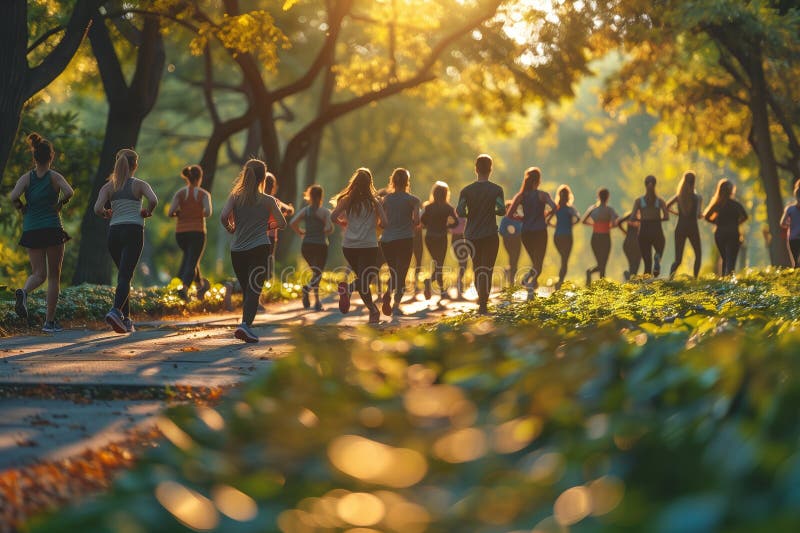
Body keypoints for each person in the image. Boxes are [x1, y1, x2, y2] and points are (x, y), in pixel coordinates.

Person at [9, 133, 74, 332]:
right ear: (51, 157)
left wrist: (22, 208)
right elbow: (69, 191)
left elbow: (13, 196)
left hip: (32, 229)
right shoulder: (55, 177)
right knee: (54, 277)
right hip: (52, 228)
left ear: (34, 157)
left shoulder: (26, 178)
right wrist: (61, 203)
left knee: (38, 274)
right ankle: (49, 322)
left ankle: (24, 291)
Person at [219, 159, 286, 343]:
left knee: (248, 289)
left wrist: (231, 228)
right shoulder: (268, 200)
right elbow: (282, 223)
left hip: (237, 250)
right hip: (259, 247)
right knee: (254, 290)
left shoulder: (235, 197)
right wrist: (266, 224)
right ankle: (245, 326)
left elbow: (224, 216)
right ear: (263, 178)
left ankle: (245, 325)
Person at [94, 148, 158, 334]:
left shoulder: (108, 187)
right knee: (125, 275)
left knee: (124, 275)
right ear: (135, 165)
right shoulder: (139, 185)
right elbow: (153, 200)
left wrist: (106, 212)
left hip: (114, 233)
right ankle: (115, 311)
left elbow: (97, 208)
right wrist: (147, 211)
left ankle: (127, 320)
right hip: (133, 231)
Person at [330, 168, 389, 324]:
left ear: (354, 182)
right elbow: (385, 223)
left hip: (349, 246)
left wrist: (344, 223)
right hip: (368, 246)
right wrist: (377, 222)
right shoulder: (375, 202)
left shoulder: (347, 200)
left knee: (363, 280)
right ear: (370, 184)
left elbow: (333, 216)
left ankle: (373, 311)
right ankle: (350, 290)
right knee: (364, 281)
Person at [456, 154, 505, 314]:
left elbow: (460, 211)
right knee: (487, 269)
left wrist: (471, 212)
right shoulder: (497, 190)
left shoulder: (466, 191)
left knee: (477, 268)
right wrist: (491, 208)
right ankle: (484, 303)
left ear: (476, 169)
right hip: (490, 234)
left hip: (471, 235)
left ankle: (481, 301)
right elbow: (501, 210)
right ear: (490, 169)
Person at [506, 167, 557, 298]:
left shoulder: (521, 196)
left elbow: (509, 214)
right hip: (540, 231)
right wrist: (547, 216)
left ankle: (531, 285)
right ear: (538, 180)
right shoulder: (542, 195)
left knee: (535, 262)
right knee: (538, 263)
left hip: (526, 232)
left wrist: (522, 218)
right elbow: (555, 207)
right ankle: (528, 281)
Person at [378, 168, 421, 316]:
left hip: (386, 241)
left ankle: (388, 293)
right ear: (407, 182)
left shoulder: (386, 199)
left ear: (393, 181)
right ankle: (395, 304)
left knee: (394, 272)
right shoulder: (413, 200)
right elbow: (416, 221)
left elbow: (381, 223)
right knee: (400, 274)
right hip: (404, 240)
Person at [168, 165, 212, 301]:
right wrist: (197, 212)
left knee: (191, 259)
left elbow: (171, 212)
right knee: (192, 261)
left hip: (181, 234)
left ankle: (201, 287)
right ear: (199, 178)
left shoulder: (180, 193)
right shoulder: (203, 194)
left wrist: (182, 213)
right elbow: (208, 212)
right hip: (197, 232)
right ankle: (184, 288)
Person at [290, 184, 333, 311]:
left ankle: (317, 301)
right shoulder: (324, 211)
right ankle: (308, 290)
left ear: (309, 196)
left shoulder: (306, 211)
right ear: (321, 196)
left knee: (316, 273)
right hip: (320, 246)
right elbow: (330, 228)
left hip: (307, 245)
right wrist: (323, 230)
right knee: (318, 273)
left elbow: (293, 223)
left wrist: (301, 232)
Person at [421, 181, 459, 299]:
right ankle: (431, 284)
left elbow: (423, 221)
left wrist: (430, 226)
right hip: (441, 237)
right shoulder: (448, 208)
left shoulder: (428, 207)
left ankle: (442, 292)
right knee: (439, 265)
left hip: (429, 238)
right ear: (446, 194)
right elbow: (456, 222)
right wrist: (448, 227)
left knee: (438, 264)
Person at [703, 178, 748, 276]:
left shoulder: (717, 204)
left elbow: (706, 216)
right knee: (732, 258)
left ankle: (723, 278)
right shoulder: (736, 204)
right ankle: (731, 278)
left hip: (720, 234)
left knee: (724, 258)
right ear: (731, 190)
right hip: (733, 233)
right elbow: (745, 216)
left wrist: (716, 222)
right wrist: (737, 223)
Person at [629, 175, 669, 276]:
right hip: (657, 229)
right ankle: (658, 257)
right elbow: (666, 216)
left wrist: (642, 219)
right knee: (660, 247)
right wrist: (656, 219)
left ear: (644, 185)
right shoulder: (660, 201)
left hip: (644, 231)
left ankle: (647, 287)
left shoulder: (639, 201)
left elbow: (632, 217)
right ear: (655, 185)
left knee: (647, 262)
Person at [666, 171, 703, 278]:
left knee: (678, 259)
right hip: (693, 228)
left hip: (680, 228)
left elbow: (667, 206)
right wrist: (701, 215)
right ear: (694, 182)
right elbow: (698, 215)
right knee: (698, 255)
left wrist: (677, 213)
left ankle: (670, 279)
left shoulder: (679, 197)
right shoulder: (697, 198)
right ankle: (695, 279)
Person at [582, 188, 618, 284]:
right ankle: (600, 283)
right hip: (605, 237)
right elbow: (615, 223)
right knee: (603, 264)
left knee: (601, 263)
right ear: (607, 197)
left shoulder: (593, 209)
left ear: (598, 196)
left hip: (595, 238)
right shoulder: (610, 210)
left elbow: (583, 221)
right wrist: (608, 225)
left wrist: (594, 225)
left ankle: (591, 274)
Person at [546, 184, 579, 290]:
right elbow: (578, 218)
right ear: (569, 196)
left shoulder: (556, 208)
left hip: (557, 236)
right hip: (567, 236)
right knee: (565, 260)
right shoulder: (570, 209)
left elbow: (547, 220)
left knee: (563, 259)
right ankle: (560, 282)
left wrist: (555, 226)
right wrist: (571, 224)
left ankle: (560, 282)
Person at [263, 173, 294, 281]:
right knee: (269, 257)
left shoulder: (257, 199)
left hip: (257, 234)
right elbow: (290, 210)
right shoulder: (275, 201)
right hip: (270, 236)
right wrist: (287, 210)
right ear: (273, 187)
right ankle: (267, 276)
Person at [498, 200, 523, 287]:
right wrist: (508, 233)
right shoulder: (505, 219)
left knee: (515, 260)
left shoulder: (518, 219)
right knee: (513, 259)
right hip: (508, 241)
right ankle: (511, 282)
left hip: (517, 240)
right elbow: (501, 231)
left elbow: (522, 229)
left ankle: (509, 272)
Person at [780, 180, 800, 267]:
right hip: (794, 238)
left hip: (793, 238)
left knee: (795, 261)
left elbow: (782, 223)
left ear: (796, 196)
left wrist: (789, 224)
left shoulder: (790, 209)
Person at [616, 212, 641, 280]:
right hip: (635, 243)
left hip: (627, 242)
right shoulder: (640, 217)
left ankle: (629, 277)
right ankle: (629, 276)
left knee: (632, 263)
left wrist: (625, 232)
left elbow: (618, 222)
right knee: (635, 264)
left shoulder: (630, 217)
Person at [450, 216, 469, 299]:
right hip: (458, 238)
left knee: (463, 264)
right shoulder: (457, 218)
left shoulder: (463, 218)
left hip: (461, 238)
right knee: (463, 263)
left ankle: (458, 287)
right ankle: (458, 288)